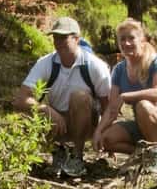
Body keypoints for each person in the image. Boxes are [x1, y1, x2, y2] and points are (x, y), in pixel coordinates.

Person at [13, 16, 111, 176]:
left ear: (76, 39)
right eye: (56, 37)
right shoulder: (46, 63)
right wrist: (46, 109)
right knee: (29, 113)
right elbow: (20, 99)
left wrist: (106, 136)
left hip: (88, 124)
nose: (58, 42)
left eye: (63, 37)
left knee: (79, 97)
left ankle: (77, 157)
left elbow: (108, 107)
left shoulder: (95, 66)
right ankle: (58, 152)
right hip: (58, 121)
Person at [93, 18, 157, 175]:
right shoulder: (119, 70)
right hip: (143, 124)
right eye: (122, 39)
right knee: (107, 138)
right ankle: (145, 155)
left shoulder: (156, 61)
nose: (127, 43)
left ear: (142, 40)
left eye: (131, 38)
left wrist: (125, 96)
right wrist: (98, 131)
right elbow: (112, 108)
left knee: (143, 105)